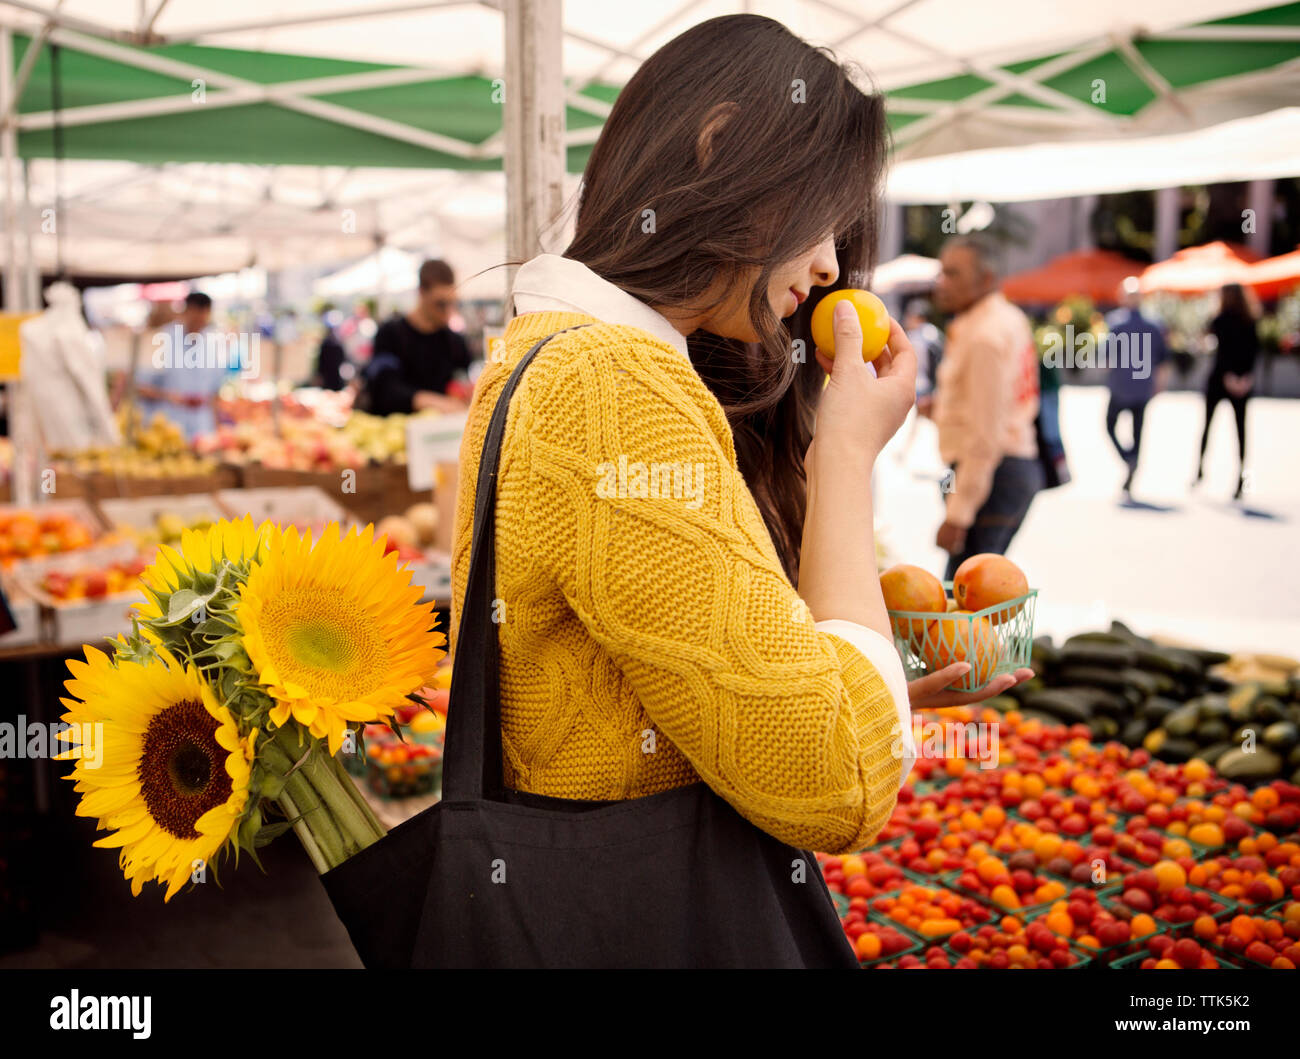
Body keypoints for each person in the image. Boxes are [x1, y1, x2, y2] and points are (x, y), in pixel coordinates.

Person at [450, 12, 1032, 946]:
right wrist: (842, 455)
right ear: (720, 146)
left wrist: (870, 691)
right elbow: (836, 786)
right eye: (823, 216)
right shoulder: (612, 384)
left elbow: (665, 684)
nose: (833, 265)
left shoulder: (548, 354)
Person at [931, 235, 1043, 580]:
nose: (942, 283)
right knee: (973, 599)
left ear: (986, 280)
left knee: (962, 601)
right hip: (1006, 469)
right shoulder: (1005, 318)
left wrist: (957, 515)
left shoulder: (985, 336)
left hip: (992, 474)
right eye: (942, 272)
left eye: (953, 274)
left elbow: (986, 435)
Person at [363, 260, 473, 415]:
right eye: (441, 304)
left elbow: (462, 382)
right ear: (422, 292)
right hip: (395, 431)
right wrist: (431, 401)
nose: (448, 311)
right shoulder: (390, 334)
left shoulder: (455, 342)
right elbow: (383, 389)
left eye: (453, 303)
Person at [1103, 277, 1169, 497]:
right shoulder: (1155, 324)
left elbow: (1107, 358)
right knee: (1138, 431)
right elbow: (1163, 360)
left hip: (1121, 385)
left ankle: (1127, 459)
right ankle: (1132, 463)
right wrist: (1159, 384)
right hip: (1144, 386)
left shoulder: (1116, 322)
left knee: (1109, 425)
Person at [133, 291, 229, 441]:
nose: (199, 322)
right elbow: (139, 386)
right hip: (165, 430)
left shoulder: (214, 343)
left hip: (202, 430)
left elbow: (214, 394)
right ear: (186, 311)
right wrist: (168, 396)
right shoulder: (162, 339)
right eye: (196, 316)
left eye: (203, 317)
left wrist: (217, 430)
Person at [1196, 283, 1258, 500]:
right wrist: (1245, 377)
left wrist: (1229, 375)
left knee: (1207, 426)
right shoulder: (1251, 320)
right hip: (1243, 380)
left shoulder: (1220, 319)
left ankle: (1199, 470)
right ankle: (1241, 477)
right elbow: (1253, 351)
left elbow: (1213, 345)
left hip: (1221, 379)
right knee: (1241, 431)